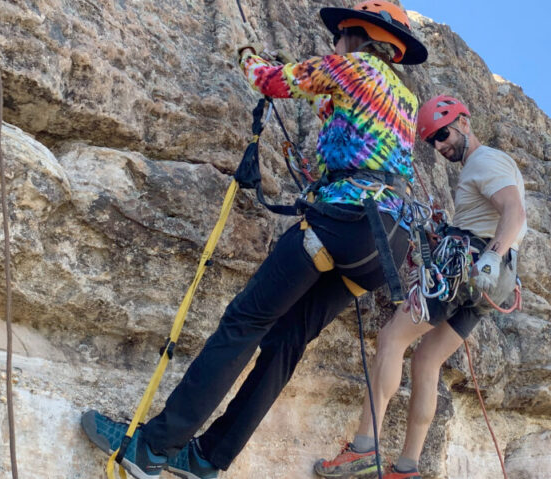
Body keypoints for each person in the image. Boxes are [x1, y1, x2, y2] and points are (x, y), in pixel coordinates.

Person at [79, 2, 428, 478]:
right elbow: (336, 109)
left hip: (345, 217)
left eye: (338, 38)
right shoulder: (404, 98)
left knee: (246, 321)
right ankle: (207, 458)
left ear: (356, 35)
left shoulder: (352, 67)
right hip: (389, 241)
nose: (334, 45)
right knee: (287, 341)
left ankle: (153, 447)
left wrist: (246, 53)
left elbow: (268, 81)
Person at [313, 95, 527, 479]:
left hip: (470, 265)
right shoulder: (485, 166)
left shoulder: (484, 160)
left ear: (464, 122)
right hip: (492, 285)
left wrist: (491, 256)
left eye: (443, 134)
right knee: (427, 361)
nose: (440, 145)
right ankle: (407, 467)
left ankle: (364, 448)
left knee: (392, 338)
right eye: (432, 141)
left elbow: (514, 211)